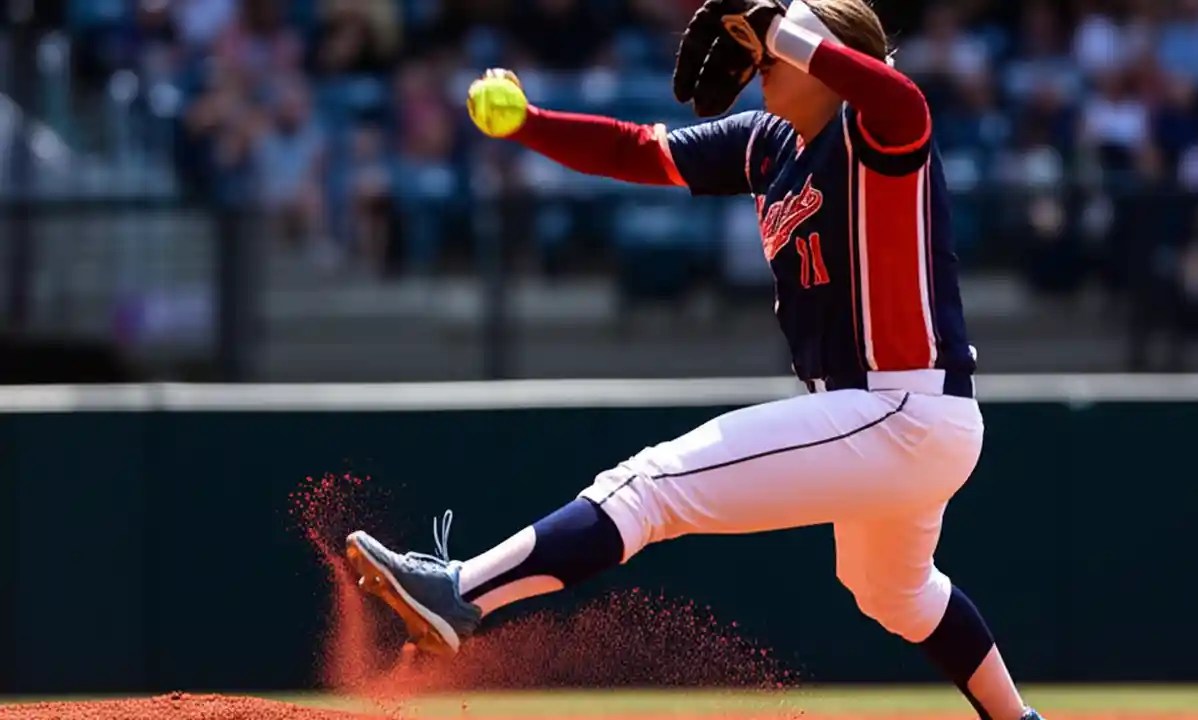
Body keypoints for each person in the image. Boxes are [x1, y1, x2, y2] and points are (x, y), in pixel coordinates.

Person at [346, 2, 1043, 719]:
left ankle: (460, 593)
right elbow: (642, 151)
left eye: (771, 46)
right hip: (891, 422)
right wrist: (528, 123)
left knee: (651, 486)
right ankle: (1016, 719)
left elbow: (902, 98)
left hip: (901, 407)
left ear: (826, 52)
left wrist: (785, 33)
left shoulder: (874, 128)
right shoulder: (768, 144)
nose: (757, 57)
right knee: (891, 591)